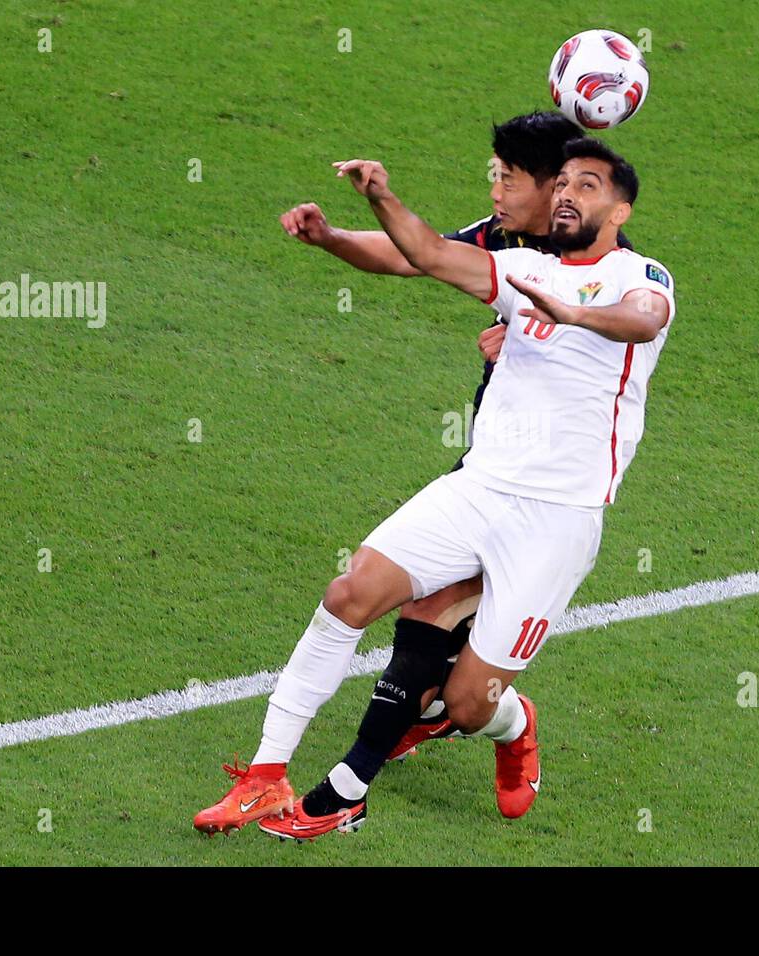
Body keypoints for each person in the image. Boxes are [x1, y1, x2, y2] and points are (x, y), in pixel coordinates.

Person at [193, 115, 630, 836]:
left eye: (506, 176)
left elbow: (630, 326)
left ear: (554, 186)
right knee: (359, 595)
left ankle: (501, 722)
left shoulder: (609, 265)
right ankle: (272, 777)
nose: (493, 188)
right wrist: (334, 235)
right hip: (487, 472)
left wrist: (540, 335)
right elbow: (417, 255)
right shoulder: (504, 239)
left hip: (557, 504)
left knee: (466, 697)